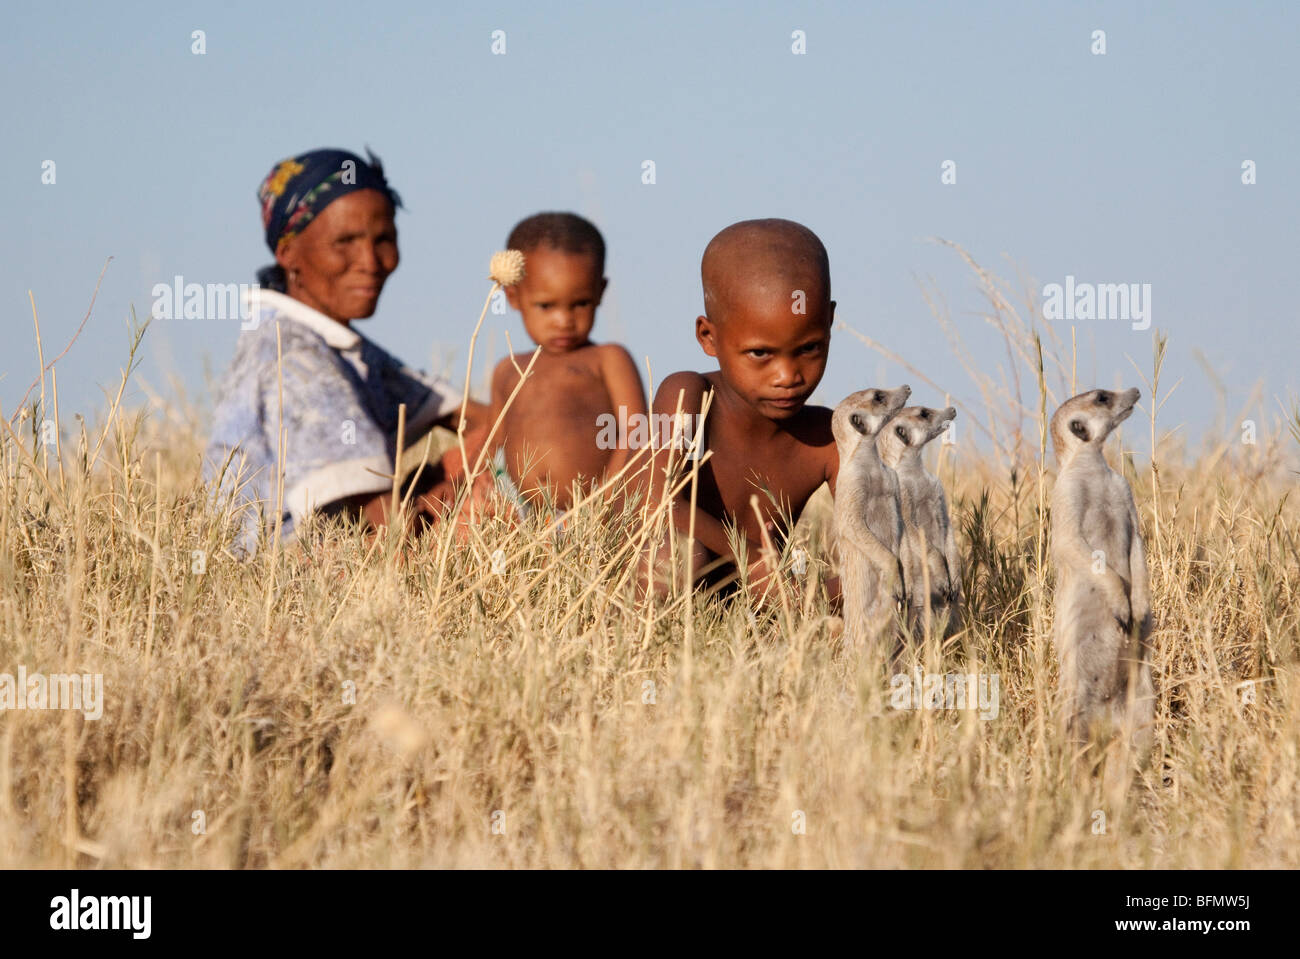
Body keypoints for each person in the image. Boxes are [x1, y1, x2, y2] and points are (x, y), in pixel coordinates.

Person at [205, 147, 487, 556]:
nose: (370, 261)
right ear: (288, 254)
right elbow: (385, 526)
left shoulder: (337, 345)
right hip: (291, 585)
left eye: (384, 240)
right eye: (345, 242)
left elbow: (485, 422)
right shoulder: (292, 356)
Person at [640, 218, 841, 599]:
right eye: (760, 353)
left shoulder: (827, 438)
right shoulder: (689, 395)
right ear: (708, 337)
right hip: (665, 586)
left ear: (829, 323)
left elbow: (869, 538)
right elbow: (657, 501)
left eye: (809, 348)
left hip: (759, 601)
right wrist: (751, 559)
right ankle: (640, 651)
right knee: (678, 555)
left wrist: (821, 592)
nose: (787, 375)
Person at [476, 212, 646, 517]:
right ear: (513, 297)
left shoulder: (607, 359)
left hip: (596, 514)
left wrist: (606, 500)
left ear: (600, 292)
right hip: (522, 516)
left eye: (580, 303)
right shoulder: (507, 370)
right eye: (546, 306)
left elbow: (635, 434)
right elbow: (494, 443)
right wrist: (479, 487)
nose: (564, 321)